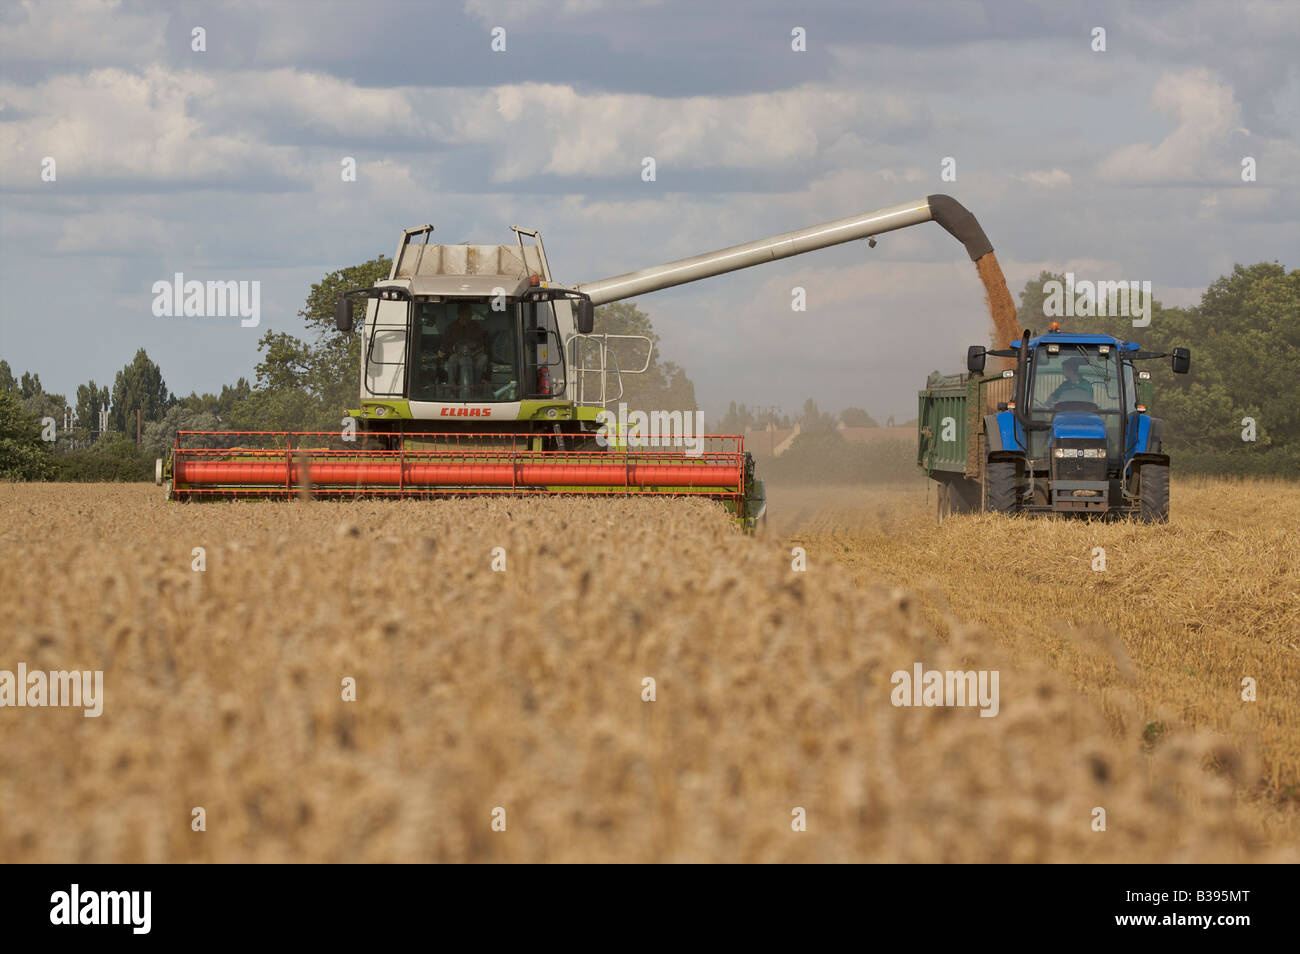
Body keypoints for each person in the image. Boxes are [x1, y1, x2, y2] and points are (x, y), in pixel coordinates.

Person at [441, 303, 489, 393]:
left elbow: (481, 343)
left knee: (483, 358)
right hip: (456, 355)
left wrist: (474, 345)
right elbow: (445, 345)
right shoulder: (450, 328)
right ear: (460, 314)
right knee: (452, 360)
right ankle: (452, 386)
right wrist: (455, 348)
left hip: (474, 354)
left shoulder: (476, 326)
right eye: (467, 314)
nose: (469, 316)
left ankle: (476, 385)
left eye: (470, 314)